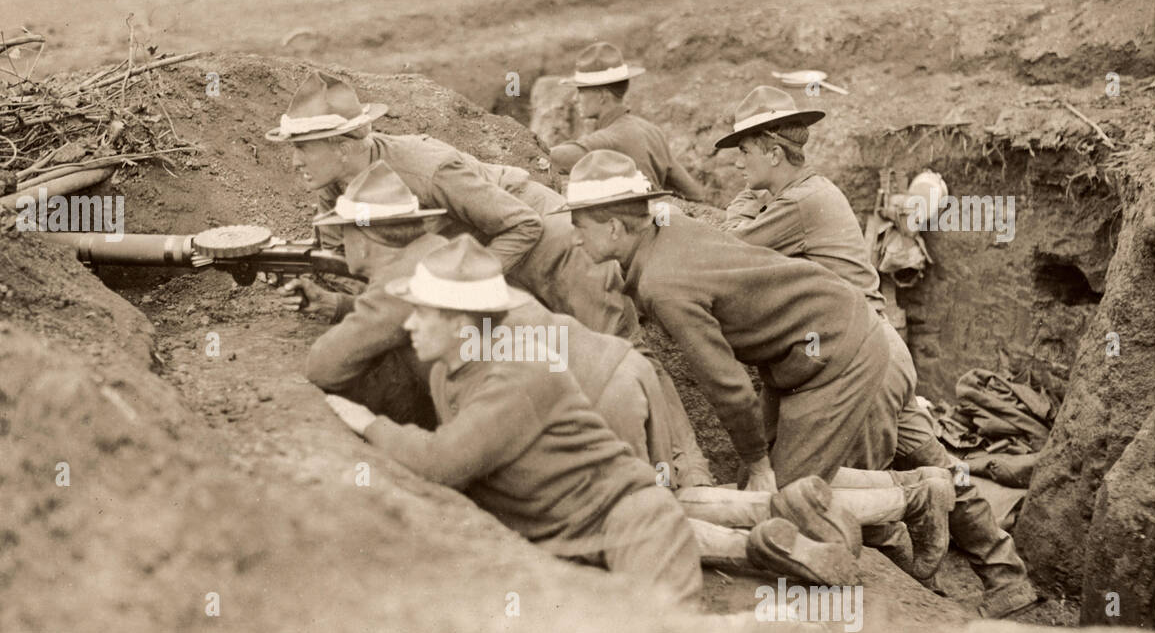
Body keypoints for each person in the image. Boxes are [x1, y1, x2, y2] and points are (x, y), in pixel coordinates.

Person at [305, 166, 953, 582]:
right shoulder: (452, 254)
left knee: (650, 504)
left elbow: (323, 366)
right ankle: (859, 508)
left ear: (364, 241)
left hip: (610, 384)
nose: (343, 251)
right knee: (673, 496)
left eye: (344, 240)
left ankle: (821, 530)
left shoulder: (405, 283)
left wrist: (754, 452)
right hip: (627, 371)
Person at [321, 235, 880, 602]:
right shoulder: (453, 370)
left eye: (422, 311)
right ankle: (772, 533)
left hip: (632, 525)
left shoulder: (511, 379)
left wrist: (360, 421)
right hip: (590, 523)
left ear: (462, 319)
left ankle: (785, 547)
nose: (408, 324)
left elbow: (442, 463)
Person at [711, 86, 1039, 619]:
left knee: (844, 494)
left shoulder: (797, 202)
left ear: (773, 150)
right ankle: (1006, 577)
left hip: (852, 361)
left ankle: (911, 602)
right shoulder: (812, 192)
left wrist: (746, 201)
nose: (736, 162)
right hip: (881, 348)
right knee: (933, 459)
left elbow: (727, 251)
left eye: (743, 150)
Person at [559, 150, 957, 583]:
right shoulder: (666, 223)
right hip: (805, 345)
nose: (575, 239)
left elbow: (728, 385)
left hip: (835, 350)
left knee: (782, 503)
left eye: (580, 227)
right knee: (763, 490)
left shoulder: (664, 286)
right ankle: (912, 495)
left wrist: (759, 464)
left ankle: (916, 497)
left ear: (615, 227)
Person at [266, 68, 632, 337]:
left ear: (342, 147)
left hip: (550, 236)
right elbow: (351, 263)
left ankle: (677, 443)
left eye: (301, 149)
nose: (295, 162)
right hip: (487, 246)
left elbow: (522, 224)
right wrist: (297, 273)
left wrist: (461, 284)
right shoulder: (334, 184)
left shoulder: (427, 170)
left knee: (616, 352)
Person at [549, 41, 706, 201]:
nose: (575, 99)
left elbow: (551, 157)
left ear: (602, 95)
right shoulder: (651, 130)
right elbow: (694, 193)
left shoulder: (608, 138)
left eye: (580, 91)